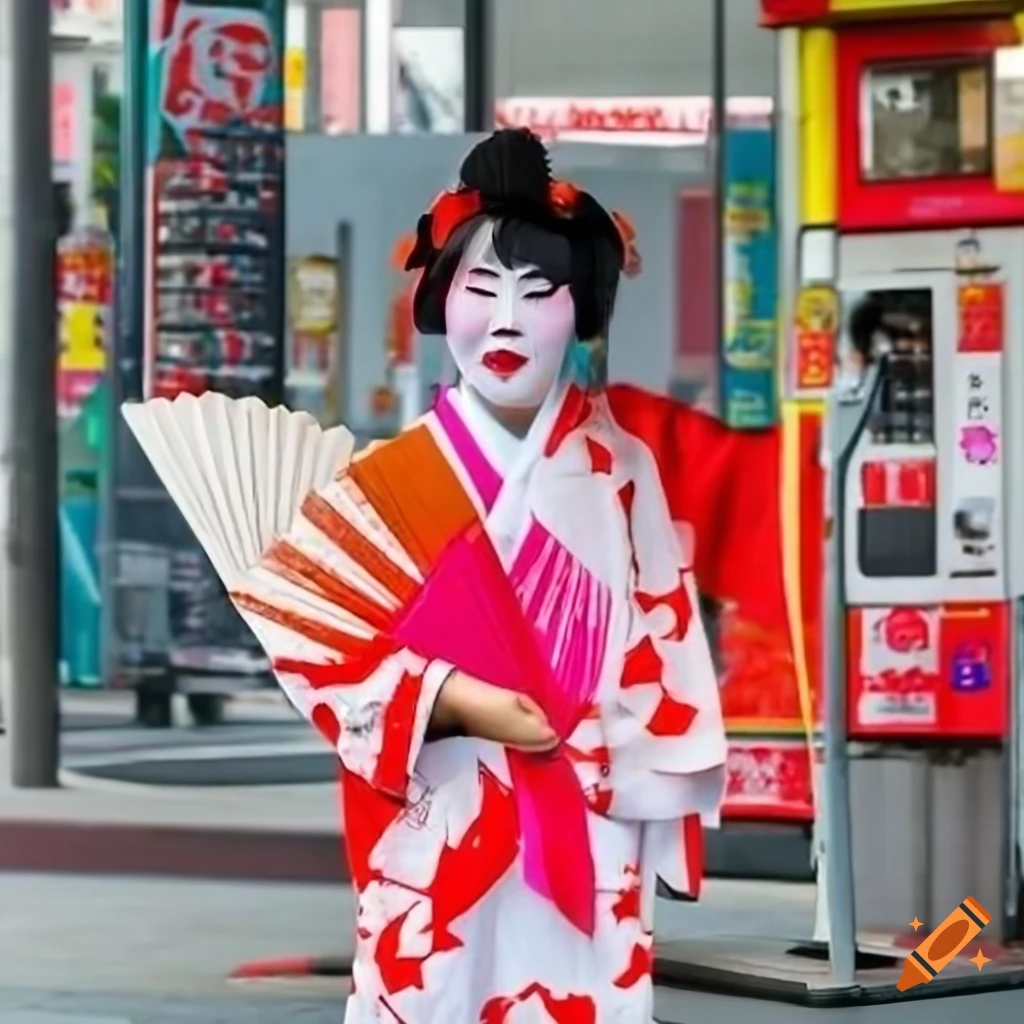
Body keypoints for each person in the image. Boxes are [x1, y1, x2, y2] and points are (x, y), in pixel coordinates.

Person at [139, 128, 788, 1023]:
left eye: (539, 292)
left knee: (581, 996)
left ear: (580, 309)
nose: (508, 319)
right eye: (481, 289)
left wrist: (655, 810)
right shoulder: (387, 482)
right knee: (437, 990)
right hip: (439, 805)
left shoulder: (623, 467)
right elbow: (316, 652)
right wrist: (456, 700)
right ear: (443, 304)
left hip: (589, 808)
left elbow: (660, 638)